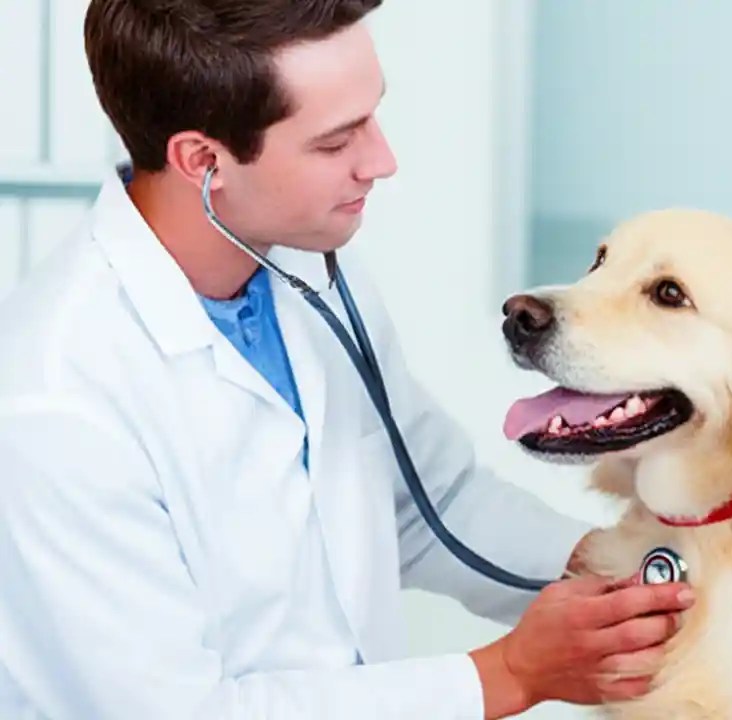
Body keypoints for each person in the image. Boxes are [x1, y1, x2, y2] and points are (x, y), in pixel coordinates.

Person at [0, 1, 694, 718]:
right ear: (203, 161)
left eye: (372, 115)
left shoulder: (314, 278)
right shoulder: (53, 398)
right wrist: (507, 676)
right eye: (337, 142)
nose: (382, 161)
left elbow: (433, 504)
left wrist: (642, 574)